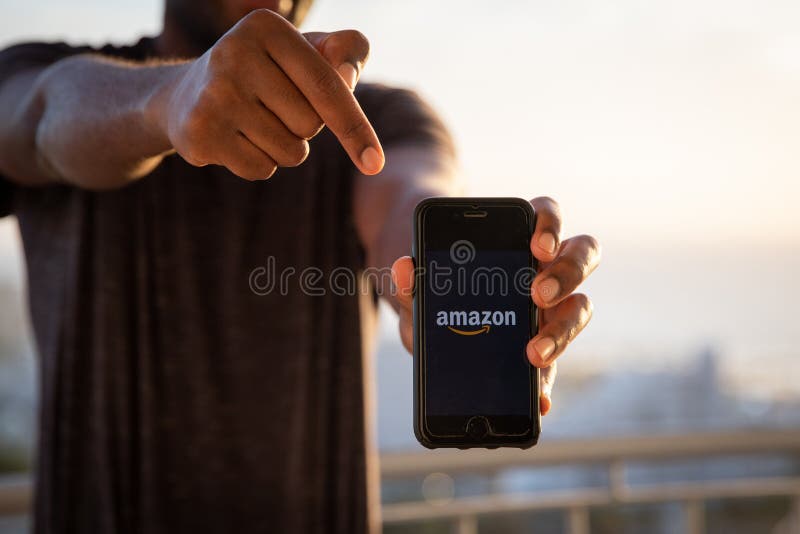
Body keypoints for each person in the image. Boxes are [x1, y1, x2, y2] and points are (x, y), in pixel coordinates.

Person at [0, 0, 601, 532]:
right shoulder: (32, 72)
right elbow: (45, 117)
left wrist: (439, 272)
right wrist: (167, 100)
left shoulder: (380, 117)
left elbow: (407, 196)